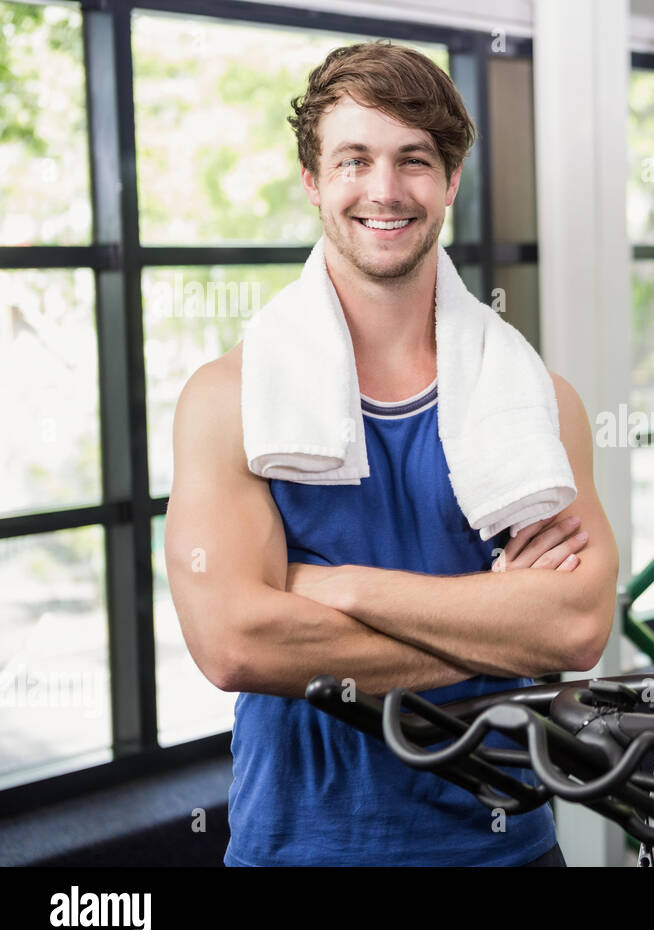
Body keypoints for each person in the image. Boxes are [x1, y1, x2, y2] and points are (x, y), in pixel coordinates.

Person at [164, 41, 619, 866]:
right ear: (312, 181)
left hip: (507, 850)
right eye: (354, 160)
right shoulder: (227, 401)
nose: (384, 190)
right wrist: (496, 623)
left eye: (414, 160)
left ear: (449, 182)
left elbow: (577, 628)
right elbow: (236, 645)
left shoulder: (542, 404)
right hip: (299, 850)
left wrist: (336, 589)